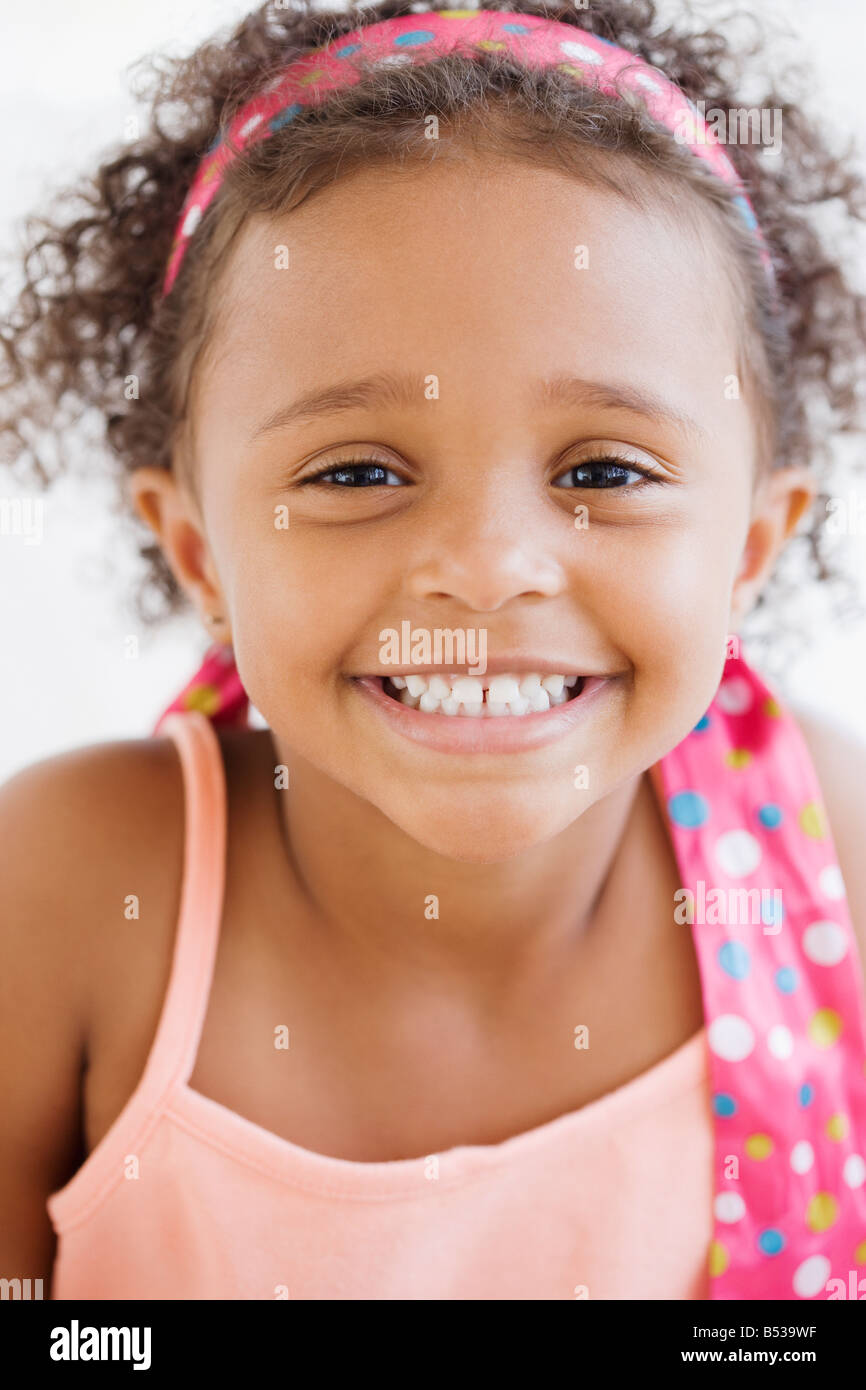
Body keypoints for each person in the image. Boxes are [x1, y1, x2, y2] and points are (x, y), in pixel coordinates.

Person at [2, 1, 866, 1301]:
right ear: (197, 554)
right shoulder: (69, 896)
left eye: (602, 468)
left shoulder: (828, 861)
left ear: (745, 548)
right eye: (356, 469)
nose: (485, 561)